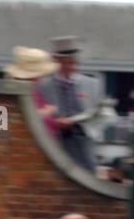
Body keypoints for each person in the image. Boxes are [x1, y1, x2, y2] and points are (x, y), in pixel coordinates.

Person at [36, 36, 102, 170]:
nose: (70, 66)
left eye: (73, 62)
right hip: (56, 143)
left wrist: (79, 121)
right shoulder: (44, 86)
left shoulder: (92, 84)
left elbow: (100, 114)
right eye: (65, 62)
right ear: (56, 62)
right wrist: (56, 121)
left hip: (84, 143)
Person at [5, 46, 59, 136]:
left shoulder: (33, 91)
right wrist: (46, 112)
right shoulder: (13, 93)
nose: (41, 78)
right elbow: (4, 122)